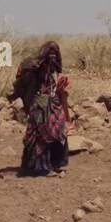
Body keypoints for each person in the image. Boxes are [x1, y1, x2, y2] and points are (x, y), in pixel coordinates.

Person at [8, 41, 70, 177]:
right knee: (41, 136)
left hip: (54, 104)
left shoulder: (56, 71)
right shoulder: (36, 68)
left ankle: (57, 163)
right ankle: (41, 167)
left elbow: (61, 92)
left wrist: (67, 115)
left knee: (59, 133)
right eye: (50, 53)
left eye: (55, 53)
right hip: (39, 105)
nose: (53, 56)